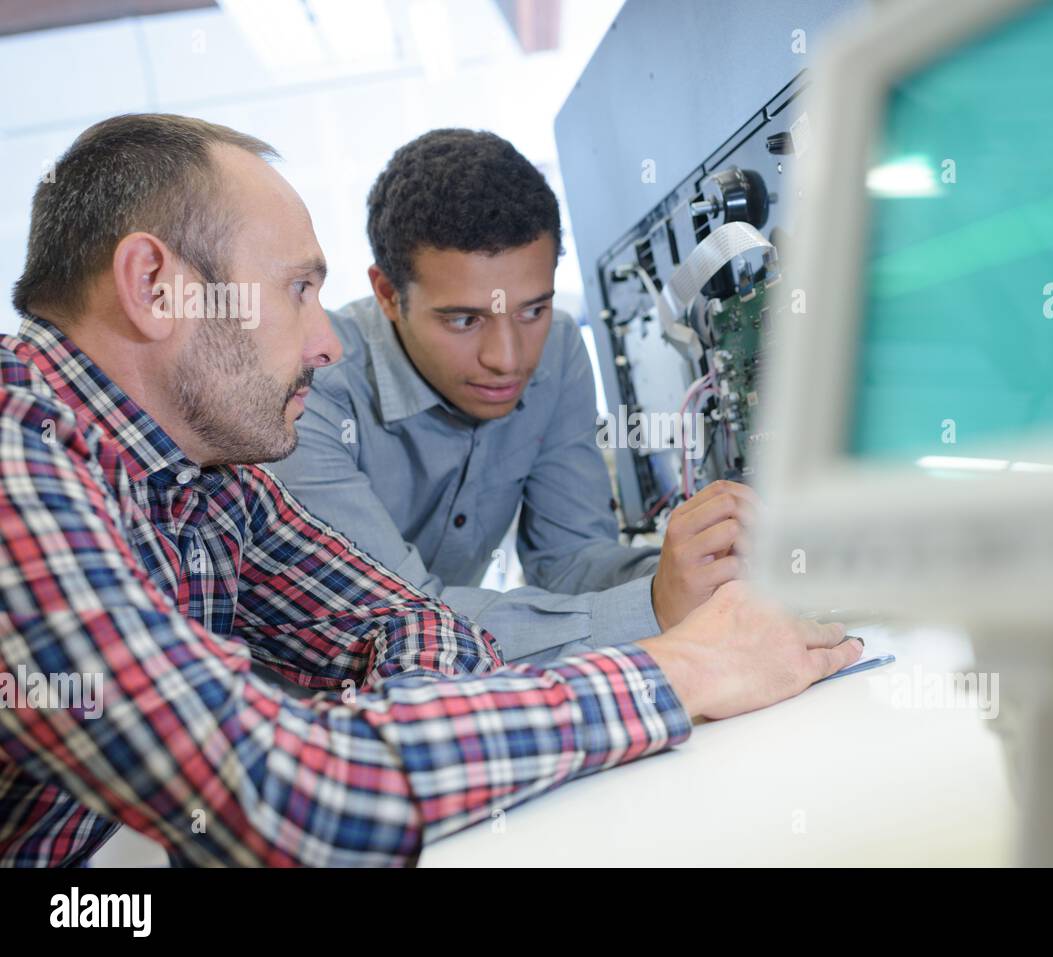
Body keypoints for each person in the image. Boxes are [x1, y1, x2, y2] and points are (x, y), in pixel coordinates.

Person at [0, 113, 860, 866]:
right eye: (298, 289)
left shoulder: (201, 484)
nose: (324, 342)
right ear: (155, 286)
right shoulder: (15, 453)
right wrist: (673, 673)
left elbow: (412, 625)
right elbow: (279, 795)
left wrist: (387, 719)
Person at [270, 129, 749, 662]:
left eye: (532, 310)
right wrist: (653, 606)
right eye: (464, 319)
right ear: (387, 293)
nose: (508, 358)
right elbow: (399, 622)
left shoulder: (560, 349)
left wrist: (699, 568)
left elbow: (568, 562)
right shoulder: (309, 389)